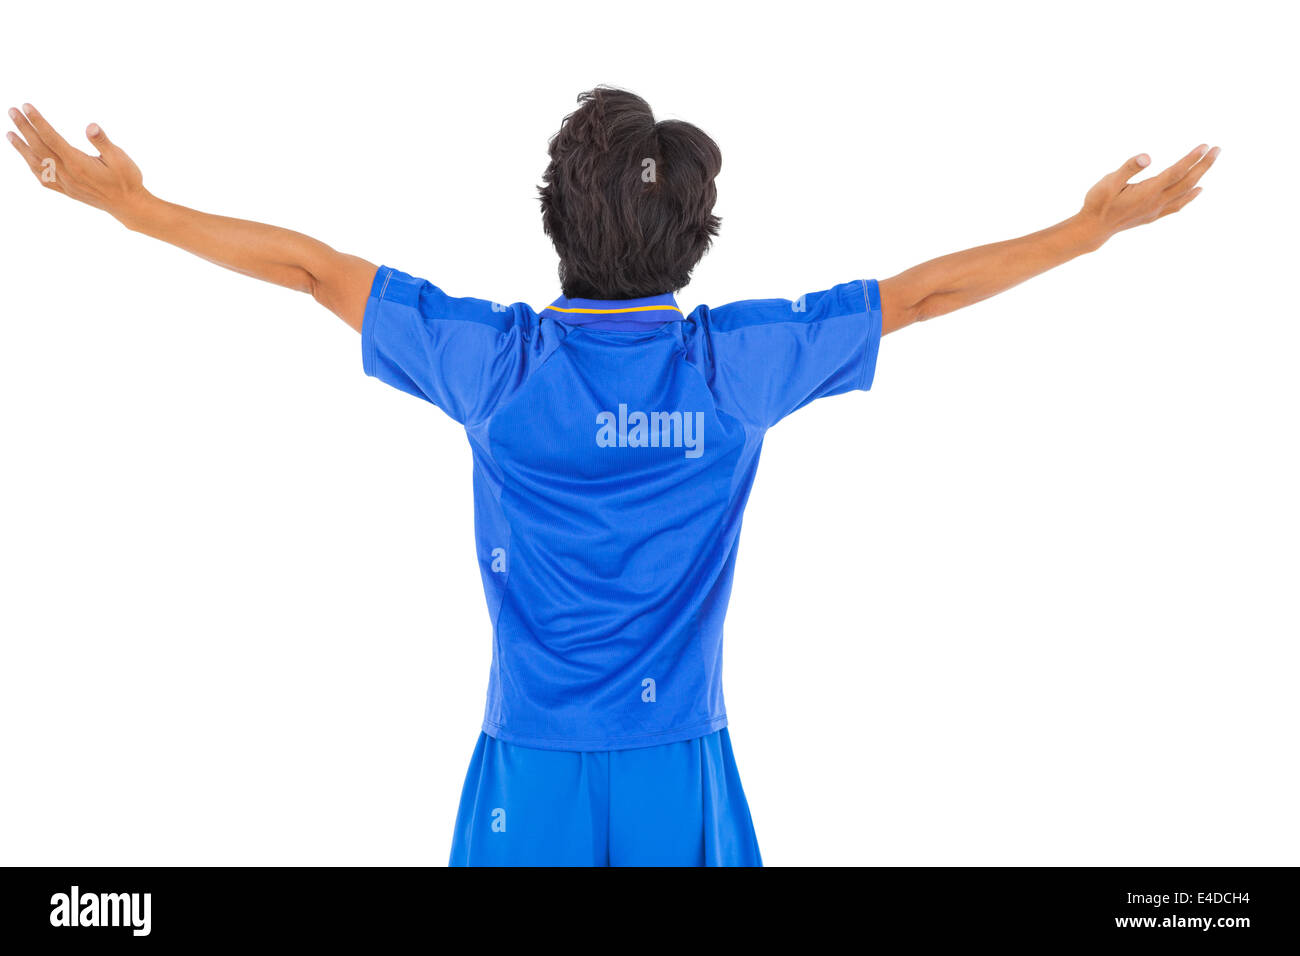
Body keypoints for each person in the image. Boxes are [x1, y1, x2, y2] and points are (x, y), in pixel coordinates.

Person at [7, 87, 1219, 867]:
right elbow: (923, 292)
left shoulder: (492, 362)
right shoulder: (737, 367)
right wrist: (1088, 230)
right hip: (676, 770)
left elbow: (310, 270)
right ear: (697, 240)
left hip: (524, 768)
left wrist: (139, 209)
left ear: (554, 220)